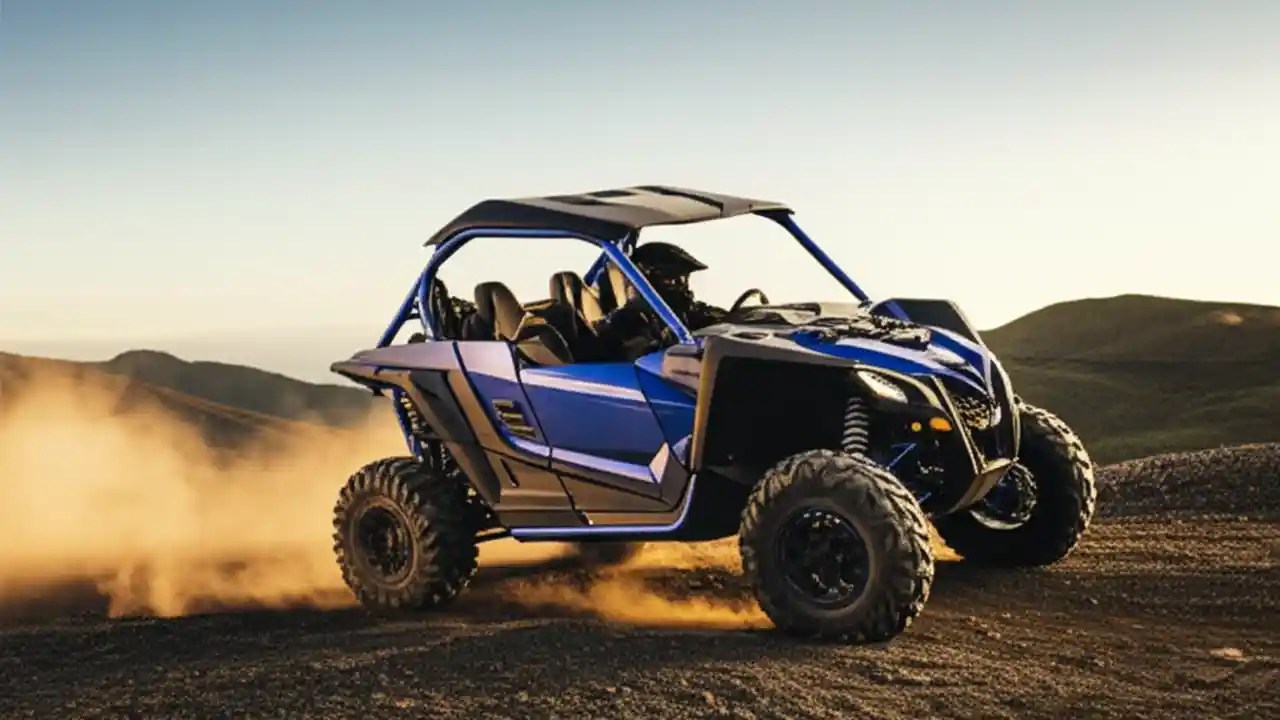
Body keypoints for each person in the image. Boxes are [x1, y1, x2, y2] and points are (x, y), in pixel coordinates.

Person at [589, 241, 727, 356]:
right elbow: (649, 360)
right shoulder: (628, 322)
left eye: (685, 279)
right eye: (673, 279)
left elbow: (716, 321)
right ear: (647, 280)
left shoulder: (681, 313)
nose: (683, 286)